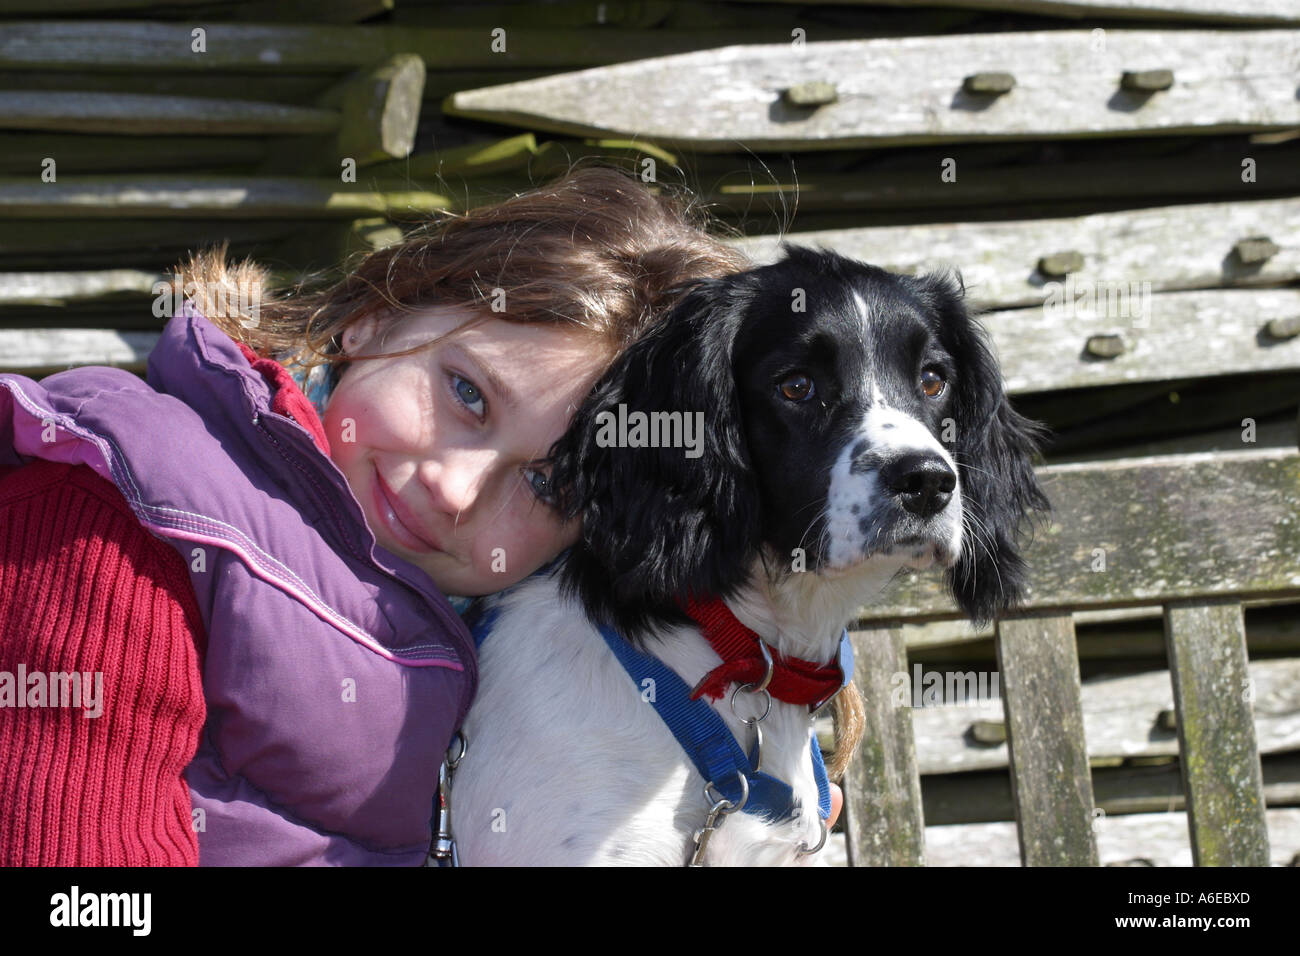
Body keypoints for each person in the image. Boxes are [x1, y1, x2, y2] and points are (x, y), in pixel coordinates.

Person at [0, 165, 751, 865]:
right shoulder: (129, 509)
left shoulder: (519, 641)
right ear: (375, 314)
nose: (457, 490)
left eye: (548, 486)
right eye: (466, 394)